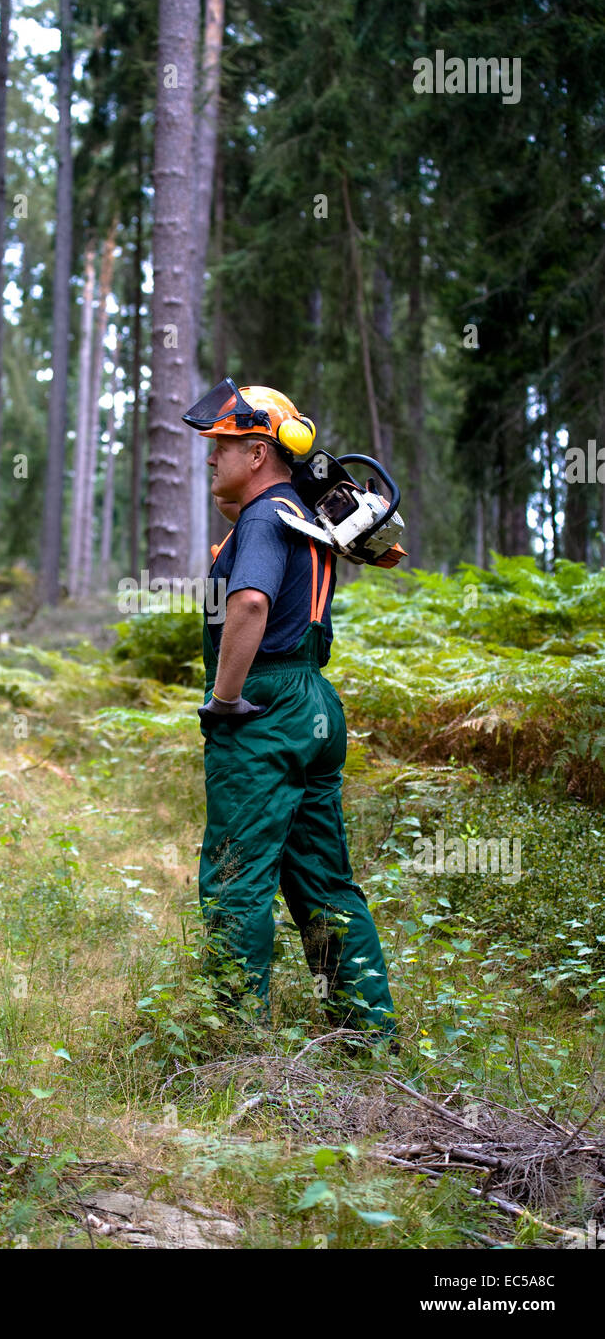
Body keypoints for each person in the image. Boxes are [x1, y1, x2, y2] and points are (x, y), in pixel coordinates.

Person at [182, 380, 397, 1046]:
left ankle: (236, 1044)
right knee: (325, 881)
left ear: (257, 452)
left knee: (238, 878)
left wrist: (224, 699)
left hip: (264, 705)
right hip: (313, 705)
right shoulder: (304, 519)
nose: (210, 459)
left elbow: (249, 605)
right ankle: (369, 1035)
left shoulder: (261, 519)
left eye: (221, 446)